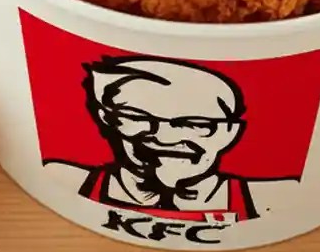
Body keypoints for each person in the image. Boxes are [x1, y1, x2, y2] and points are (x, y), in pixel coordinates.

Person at [44, 56, 298, 223]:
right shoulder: (62, 178)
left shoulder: (273, 197)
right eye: (138, 118)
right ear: (107, 118)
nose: (165, 137)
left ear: (230, 133)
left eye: (195, 124)